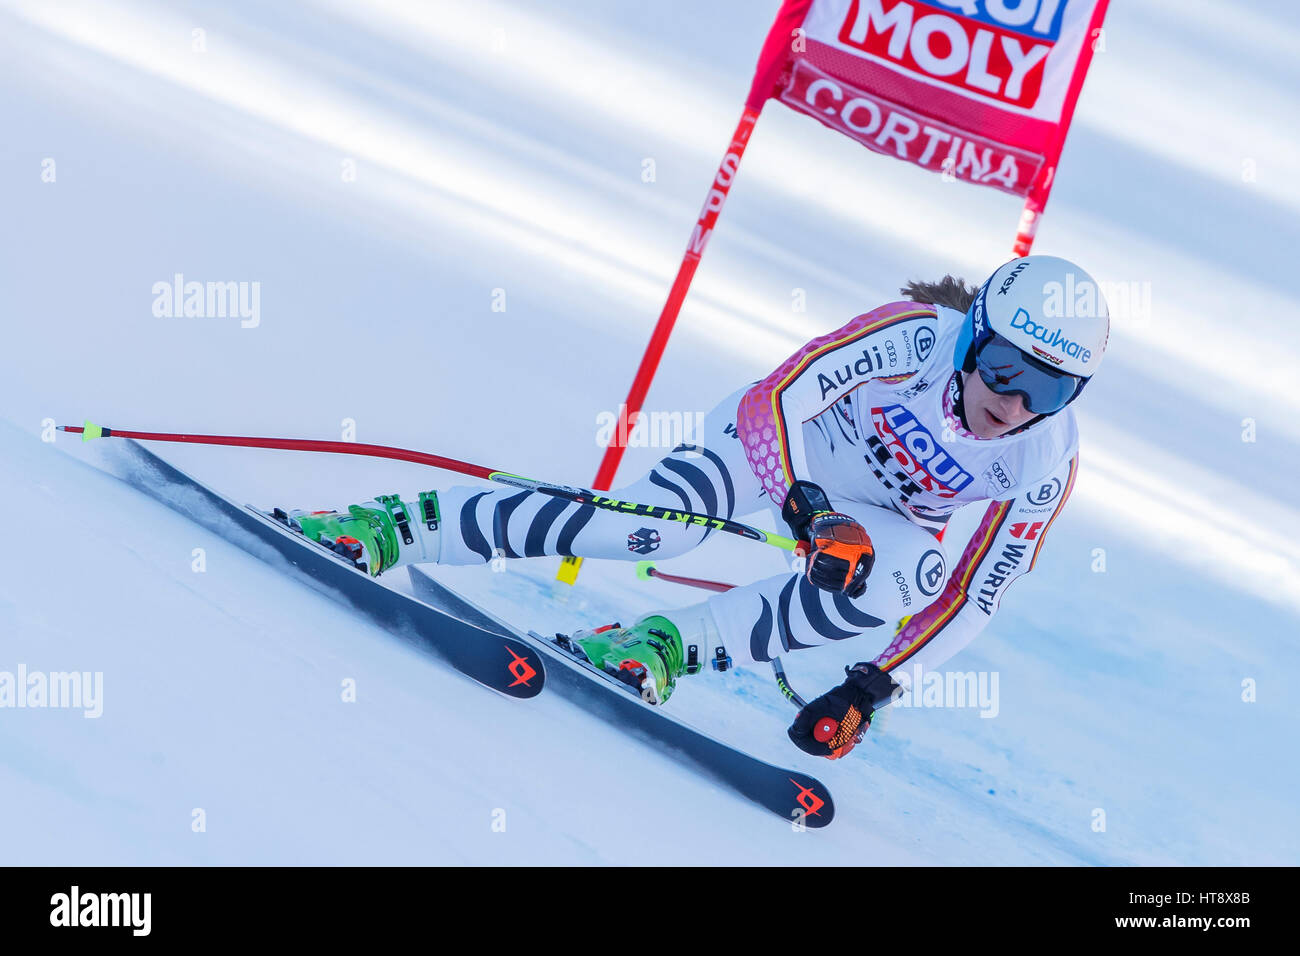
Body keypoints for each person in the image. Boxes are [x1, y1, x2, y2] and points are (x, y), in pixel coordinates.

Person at [286, 255, 1109, 759]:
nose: (1014, 401)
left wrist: (872, 689)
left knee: (913, 577)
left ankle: (664, 645)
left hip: (882, 522)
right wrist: (806, 505)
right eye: (1004, 367)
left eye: (1050, 388)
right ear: (974, 338)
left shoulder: (1044, 456)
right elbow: (777, 398)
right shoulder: (916, 338)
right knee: (641, 530)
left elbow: (976, 592)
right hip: (788, 449)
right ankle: (395, 525)